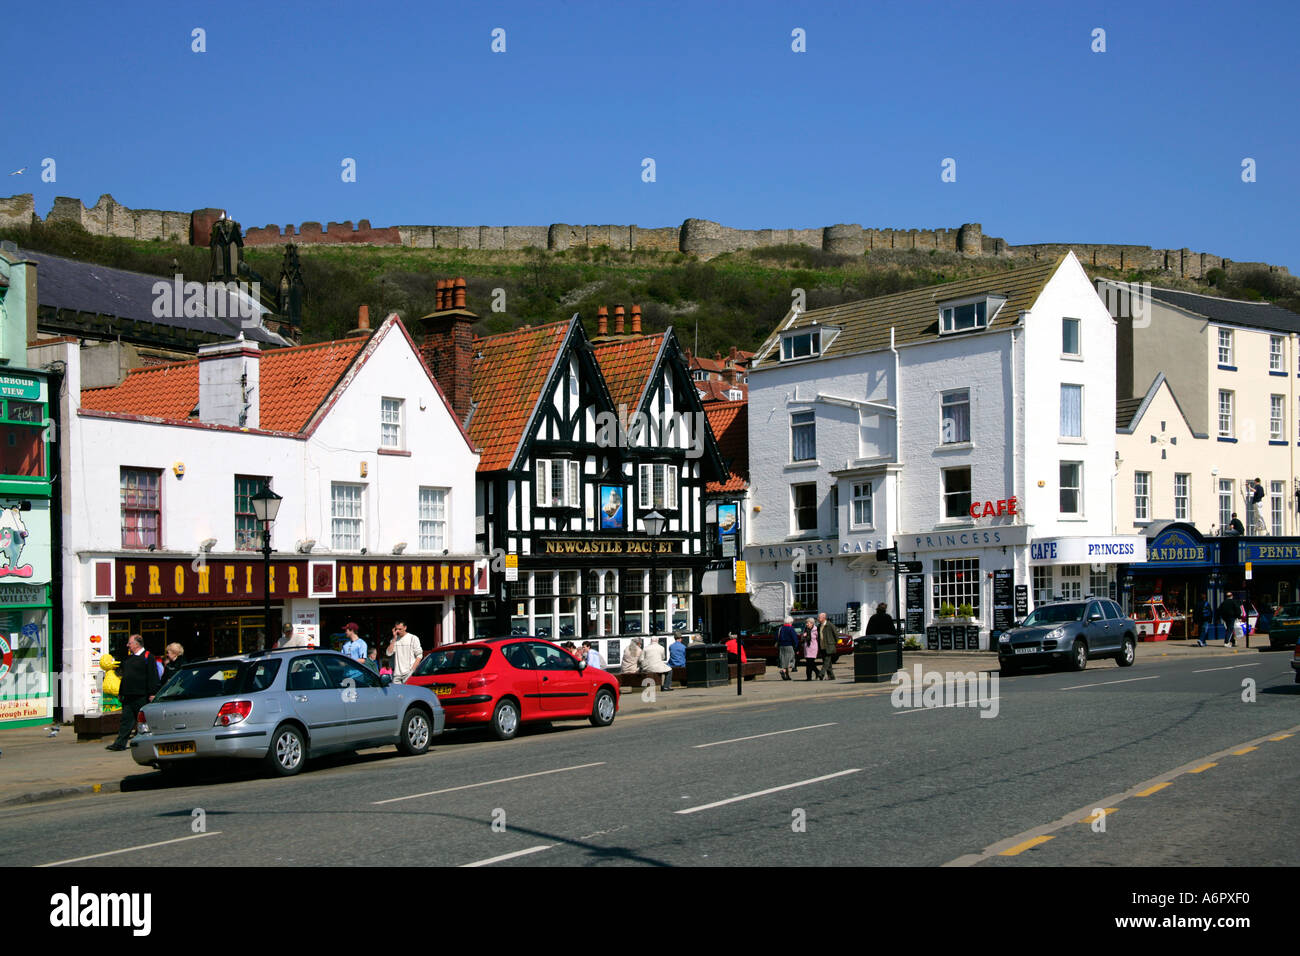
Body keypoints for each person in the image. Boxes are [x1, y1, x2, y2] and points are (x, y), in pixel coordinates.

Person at [106, 634, 161, 751]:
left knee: (145, 721)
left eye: (129, 643)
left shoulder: (148, 657)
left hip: (141, 696)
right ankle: (120, 743)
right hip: (128, 696)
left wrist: (153, 693)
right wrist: (121, 693)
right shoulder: (129, 659)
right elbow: (125, 677)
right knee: (126, 720)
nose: (127, 645)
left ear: (136, 644)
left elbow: (153, 676)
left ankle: (152, 741)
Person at [776, 616, 800, 680]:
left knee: (784, 661)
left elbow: (776, 637)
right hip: (789, 646)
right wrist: (796, 647)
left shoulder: (780, 628)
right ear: (790, 622)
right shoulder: (790, 628)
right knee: (791, 660)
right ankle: (783, 671)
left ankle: (787, 676)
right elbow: (795, 639)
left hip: (781, 646)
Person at [817, 612, 840, 681]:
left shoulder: (830, 625)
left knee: (826, 661)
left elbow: (836, 634)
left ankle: (821, 674)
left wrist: (835, 644)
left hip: (829, 646)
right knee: (827, 662)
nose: (818, 619)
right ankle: (831, 676)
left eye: (819, 617)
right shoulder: (819, 626)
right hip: (822, 646)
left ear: (824, 618)